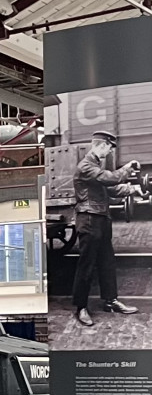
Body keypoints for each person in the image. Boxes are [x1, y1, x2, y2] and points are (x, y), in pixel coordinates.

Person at [71, 128, 141, 326]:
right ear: (101, 145)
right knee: (87, 264)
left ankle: (111, 300)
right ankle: (81, 307)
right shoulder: (86, 166)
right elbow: (109, 179)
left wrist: (132, 189)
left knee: (107, 262)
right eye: (109, 148)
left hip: (102, 218)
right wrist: (127, 168)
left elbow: (109, 189)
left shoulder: (95, 166)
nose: (109, 152)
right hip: (89, 219)